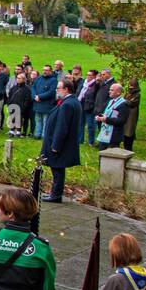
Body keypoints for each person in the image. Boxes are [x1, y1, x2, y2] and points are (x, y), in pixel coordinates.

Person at [40, 75, 81, 203]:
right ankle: (55, 193)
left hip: (59, 144)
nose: (56, 90)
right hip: (61, 143)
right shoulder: (71, 102)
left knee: (57, 170)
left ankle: (56, 194)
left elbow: (62, 127)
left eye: (59, 88)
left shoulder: (67, 105)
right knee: (57, 170)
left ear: (67, 89)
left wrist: (55, 145)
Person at [94, 82, 126, 151]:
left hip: (113, 135)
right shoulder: (111, 101)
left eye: (112, 90)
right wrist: (100, 117)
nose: (109, 92)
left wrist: (105, 119)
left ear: (118, 92)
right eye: (110, 90)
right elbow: (108, 114)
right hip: (105, 132)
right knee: (101, 154)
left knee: (111, 158)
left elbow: (120, 120)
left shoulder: (123, 104)